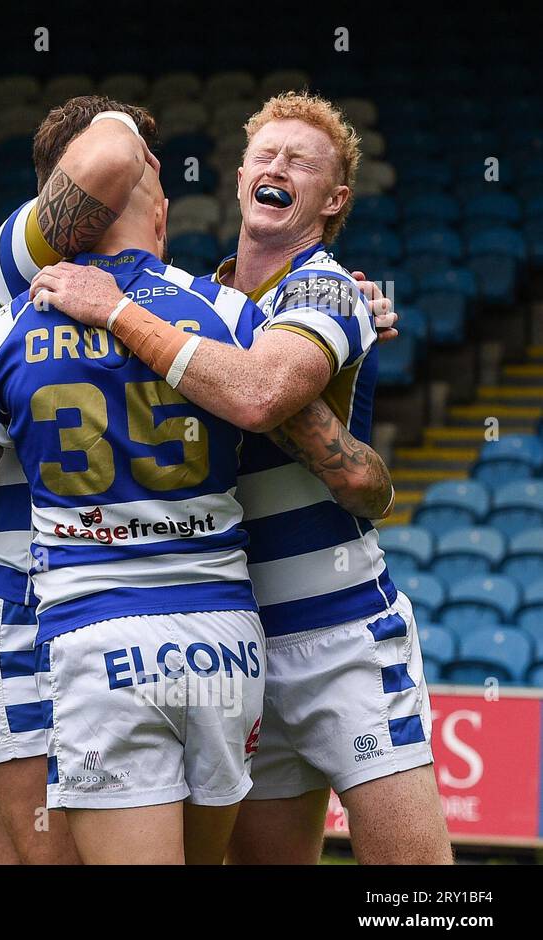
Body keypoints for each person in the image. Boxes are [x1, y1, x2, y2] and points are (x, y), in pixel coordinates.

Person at [31, 92, 450, 864]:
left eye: (302, 161)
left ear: (335, 199)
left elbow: (259, 394)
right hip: (238, 638)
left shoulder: (323, 288)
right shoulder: (205, 301)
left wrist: (117, 309)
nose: (278, 166)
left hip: (339, 628)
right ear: (238, 178)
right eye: (265, 154)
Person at [0, 145, 270, 864]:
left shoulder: (11, 322)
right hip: (224, 631)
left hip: (96, 627)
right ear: (161, 215)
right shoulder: (230, 310)